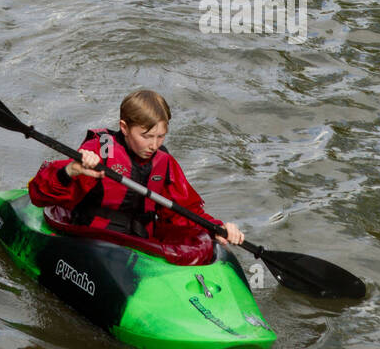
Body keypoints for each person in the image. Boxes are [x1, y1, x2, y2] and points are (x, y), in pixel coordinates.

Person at [28, 88, 244, 266]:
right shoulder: (100, 152)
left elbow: (185, 212)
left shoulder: (164, 162)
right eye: (147, 136)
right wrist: (73, 170)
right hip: (93, 240)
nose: (154, 145)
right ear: (125, 128)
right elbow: (39, 195)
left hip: (141, 246)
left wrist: (217, 228)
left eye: (161, 136)